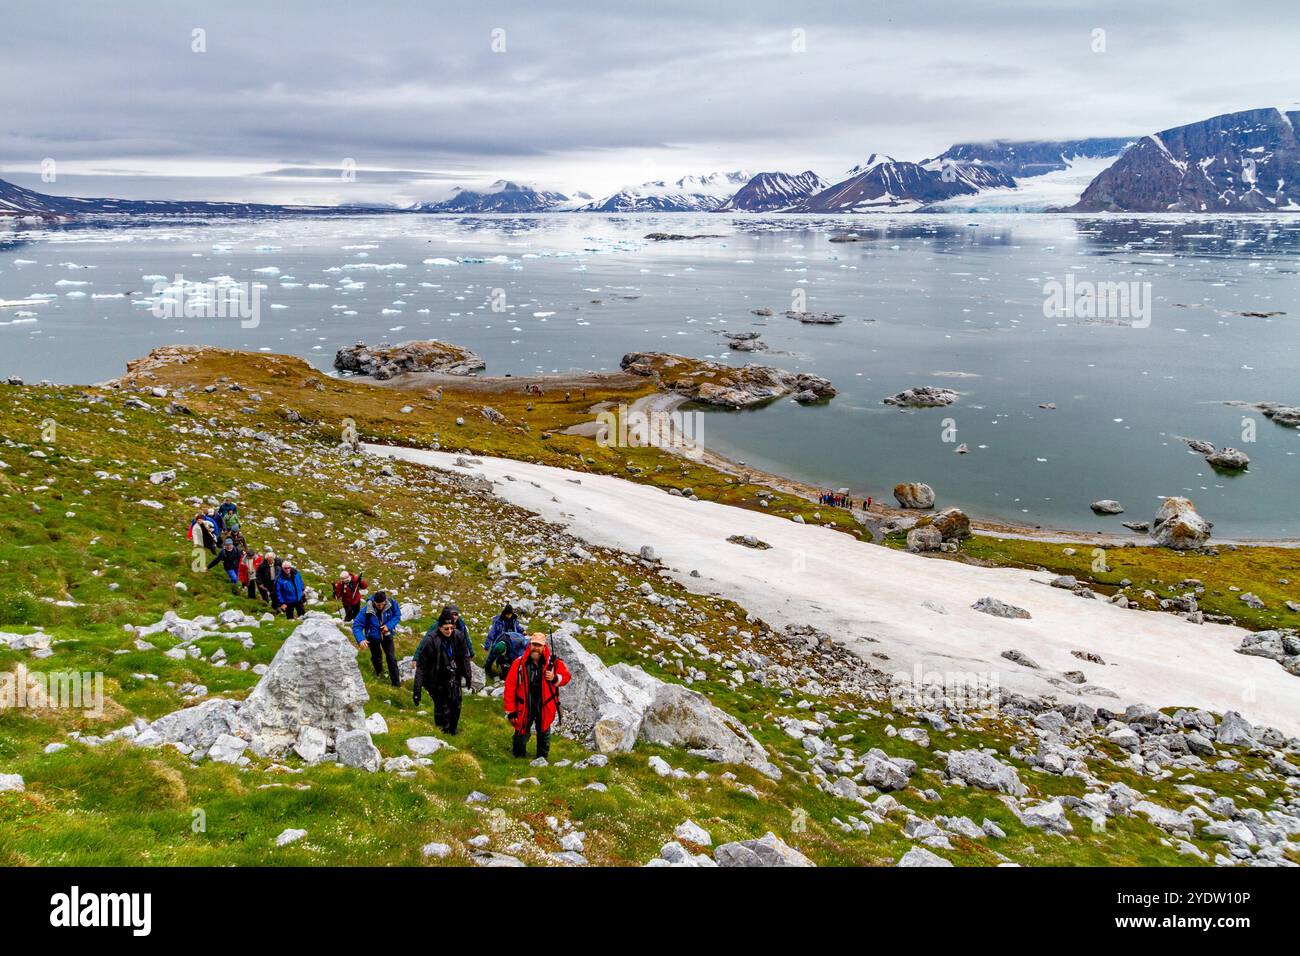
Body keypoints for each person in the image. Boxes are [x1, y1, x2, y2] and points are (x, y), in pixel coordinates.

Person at [504, 633, 571, 759]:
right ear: (529, 645)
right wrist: (511, 711)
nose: (536, 648)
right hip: (524, 706)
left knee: (544, 731)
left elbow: (566, 677)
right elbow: (510, 687)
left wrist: (555, 678)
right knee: (521, 731)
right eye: (534, 644)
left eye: (539, 645)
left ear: (544, 646)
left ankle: (542, 759)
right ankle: (518, 757)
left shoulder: (554, 662)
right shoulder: (518, 664)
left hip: (544, 705)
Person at [414, 609, 472, 734]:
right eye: (446, 628)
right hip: (436, 679)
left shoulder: (458, 636)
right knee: (442, 706)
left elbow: (464, 658)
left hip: (454, 676)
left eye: (452, 628)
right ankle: (442, 731)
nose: (449, 631)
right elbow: (421, 666)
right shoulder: (431, 640)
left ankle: (453, 730)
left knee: (456, 705)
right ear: (439, 627)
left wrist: (468, 676)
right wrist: (417, 690)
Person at [352, 590, 401, 686]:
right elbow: (356, 626)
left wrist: (388, 626)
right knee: (376, 657)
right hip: (373, 637)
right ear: (374, 602)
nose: (381, 606)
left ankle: (396, 683)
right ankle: (379, 673)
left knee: (391, 658)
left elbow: (397, 615)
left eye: (383, 604)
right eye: (378, 605)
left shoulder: (392, 603)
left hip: (387, 635)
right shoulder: (366, 610)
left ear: (385, 601)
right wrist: (361, 639)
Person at [483, 603, 526, 682]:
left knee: (511, 659)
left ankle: (511, 674)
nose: (508, 616)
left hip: (512, 641)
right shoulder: (498, 621)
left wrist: (522, 631)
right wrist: (487, 645)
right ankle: (490, 669)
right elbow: (491, 634)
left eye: (510, 614)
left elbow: (517, 627)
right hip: (500, 640)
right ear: (505, 613)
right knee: (499, 657)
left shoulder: (514, 620)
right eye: (507, 614)